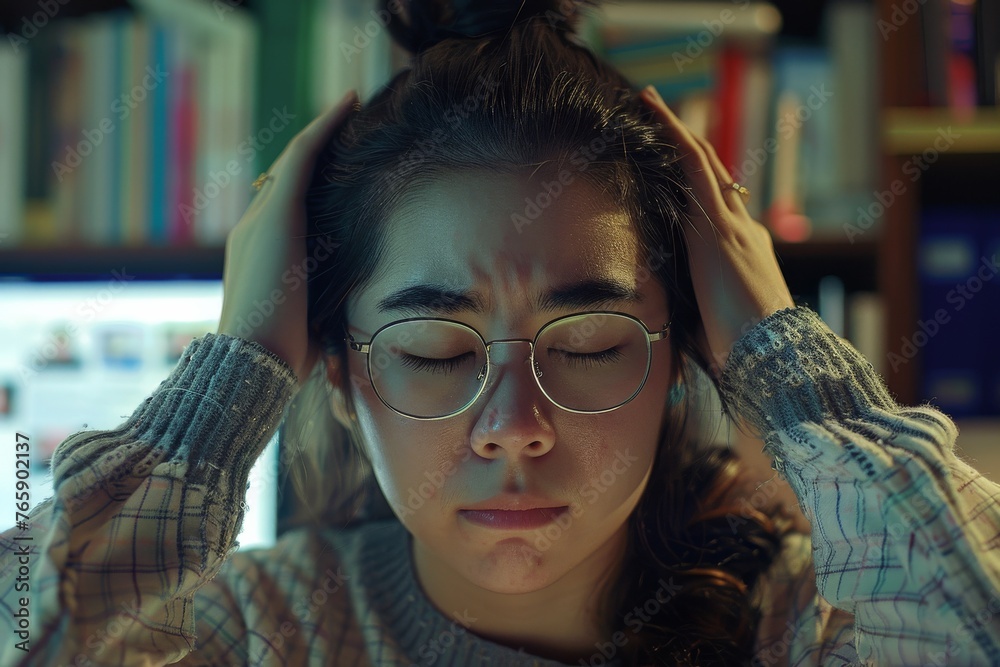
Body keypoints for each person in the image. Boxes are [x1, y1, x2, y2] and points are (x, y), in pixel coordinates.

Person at [2, 1, 999, 665]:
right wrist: (233, 379)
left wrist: (782, 358)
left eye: (590, 344)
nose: (512, 426)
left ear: (679, 361)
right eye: (434, 353)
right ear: (340, 380)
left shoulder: (799, 627)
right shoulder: (252, 631)